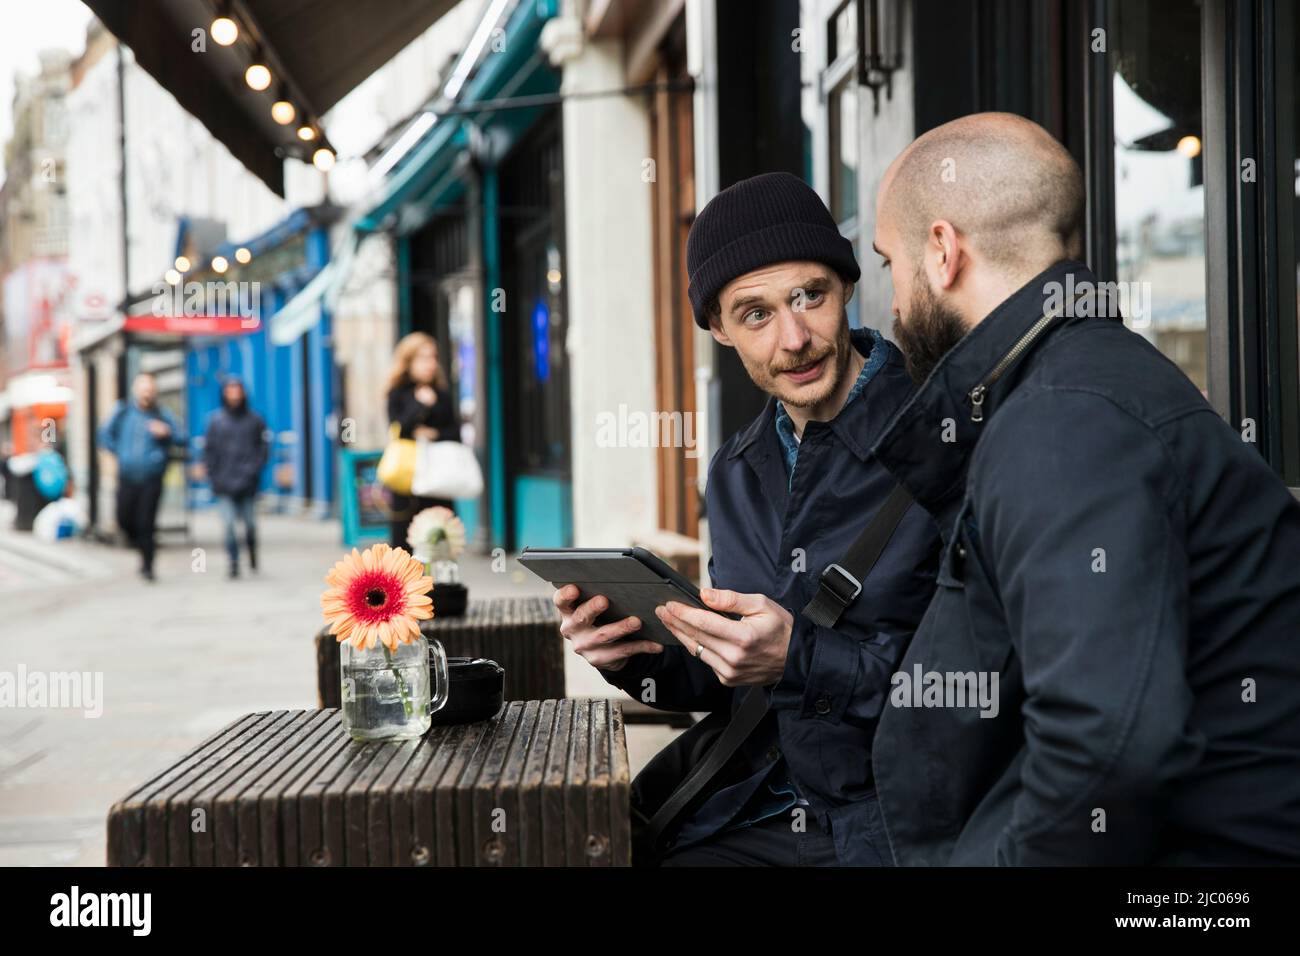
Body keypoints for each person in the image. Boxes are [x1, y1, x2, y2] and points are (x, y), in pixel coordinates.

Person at [868, 112, 1300, 865]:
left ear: (942, 252)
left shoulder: (1062, 422)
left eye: (888, 266)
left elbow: (1107, 746)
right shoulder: (1081, 386)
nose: (894, 304)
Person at [554, 172, 941, 866]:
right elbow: (736, 675)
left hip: (894, 818)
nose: (793, 338)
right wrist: (637, 660)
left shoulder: (941, 441)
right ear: (719, 329)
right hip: (753, 798)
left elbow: (980, 686)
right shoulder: (736, 469)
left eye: (809, 297)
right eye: (755, 314)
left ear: (846, 288)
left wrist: (800, 658)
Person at [97, 372, 184, 581]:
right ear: (135, 390)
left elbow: (182, 437)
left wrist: (166, 433)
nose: (147, 392)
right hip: (127, 476)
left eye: (150, 388)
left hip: (151, 477)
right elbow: (104, 435)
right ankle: (141, 546)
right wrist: (119, 451)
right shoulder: (123, 411)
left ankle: (148, 565)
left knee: (146, 523)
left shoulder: (163, 415)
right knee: (124, 519)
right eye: (143, 387)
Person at [385, 332, 460, 549]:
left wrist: (433, 434)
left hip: (439, 480)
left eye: (434, 357)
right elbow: (398, 430)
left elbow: (455, 433)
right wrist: (420, 405)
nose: (431, 363)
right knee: (403, 545)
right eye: (424, 358)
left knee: (440, 546)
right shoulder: (397, 393)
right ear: (408, 362)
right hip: (407, 480)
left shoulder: (442, 394)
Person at [203, 376, 269, 578]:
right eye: (230, 391)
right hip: (224, 483)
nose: (234, 395)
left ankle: (252, 553)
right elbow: (209, 451)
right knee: (229, 525)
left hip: (247, 483)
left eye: (237, 391)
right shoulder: (216, 421)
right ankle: (233, 562)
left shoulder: (255, 420)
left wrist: (252, 471)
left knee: (249, 524)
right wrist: (213, 476)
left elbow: (263, 449)